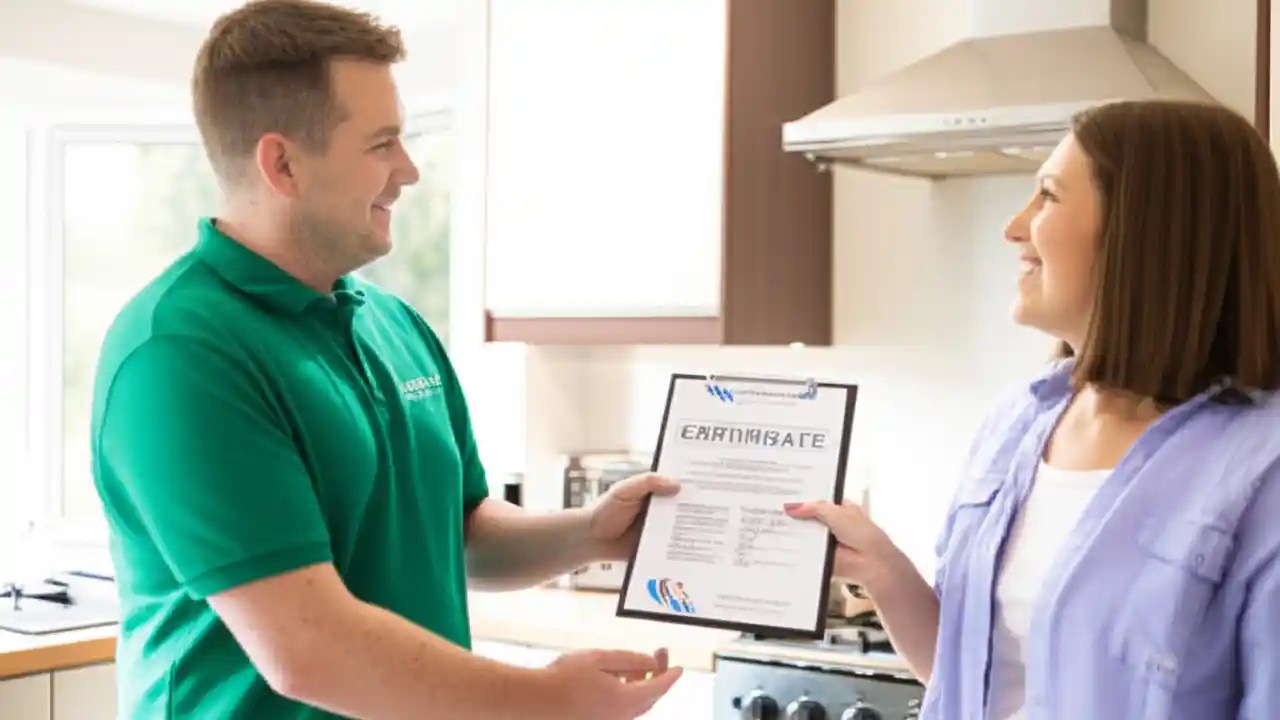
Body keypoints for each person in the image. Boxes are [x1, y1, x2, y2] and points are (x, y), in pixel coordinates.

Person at [89, 1, 682, 718]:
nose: (409, 172)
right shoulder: (180, 356)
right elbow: (308, 650)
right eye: (382, 144)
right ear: (282, 163)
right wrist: (542, 702)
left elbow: (458, 536)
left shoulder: (391, 323)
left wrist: (590, 534)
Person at [785, 99, 1280, 719]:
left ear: (1144, 229)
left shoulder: (1263, 469)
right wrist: (881, 569)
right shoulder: (1019, 421)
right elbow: (973, 678)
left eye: (1047, 195)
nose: (1014, 227)